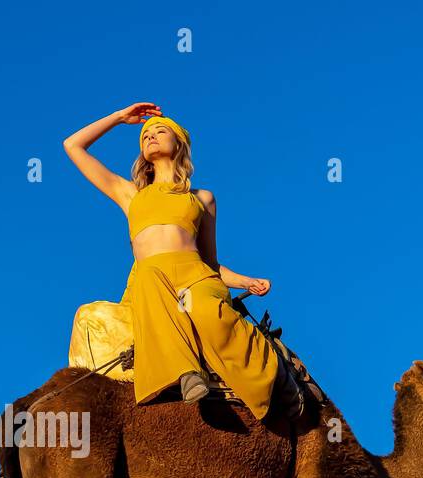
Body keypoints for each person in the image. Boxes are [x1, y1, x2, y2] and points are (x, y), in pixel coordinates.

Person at [62, 102, 279, 414]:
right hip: (151, 282)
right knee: (104, 304)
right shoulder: (130, 195)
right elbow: (73, 145)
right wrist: (120, 118)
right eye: (145, 134)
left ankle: (274, 382)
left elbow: (211, 263)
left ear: (179, 144)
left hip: (195, 277)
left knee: (208, 313)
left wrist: (247, 281)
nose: (150, 135)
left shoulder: (202, 199)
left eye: (160, 130)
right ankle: (186, 374)